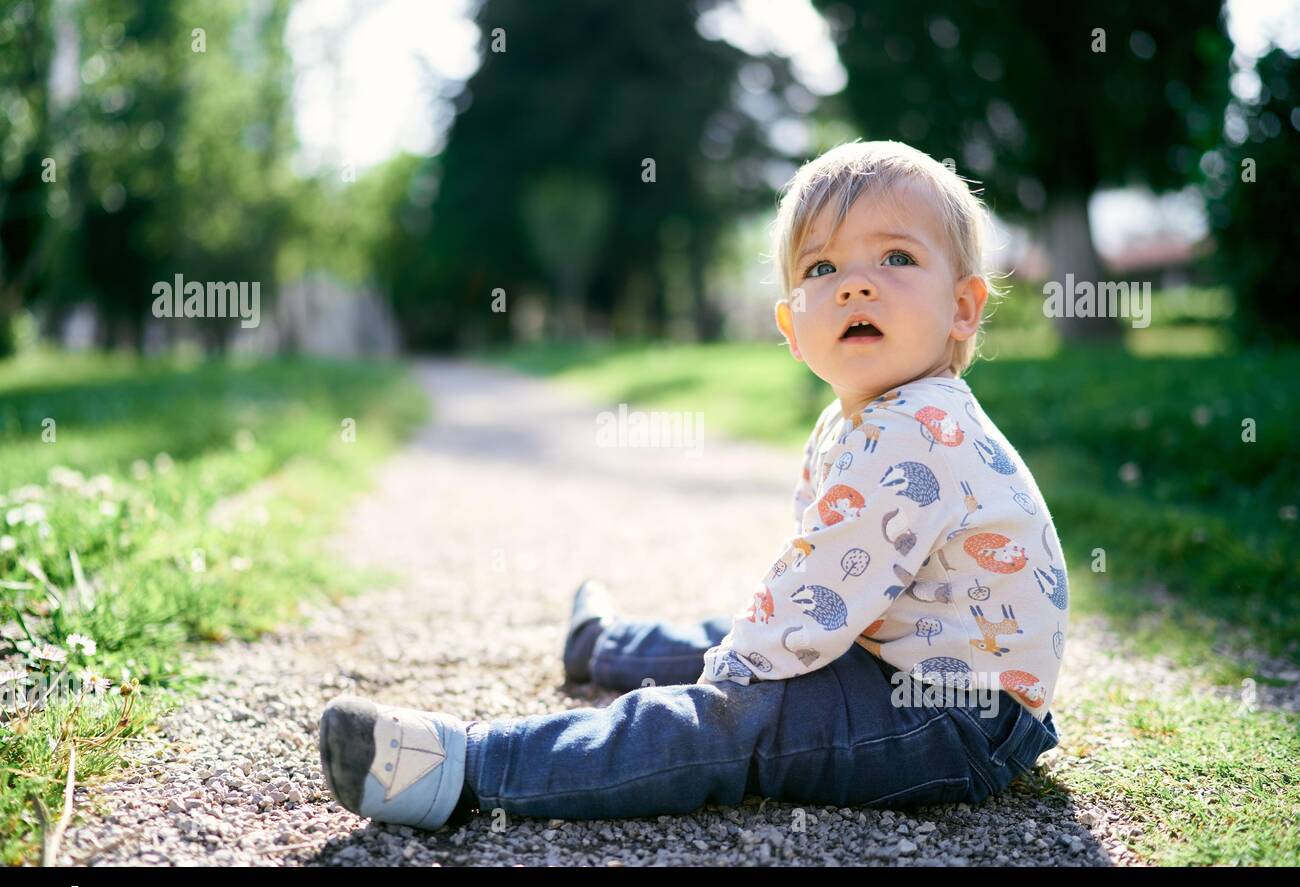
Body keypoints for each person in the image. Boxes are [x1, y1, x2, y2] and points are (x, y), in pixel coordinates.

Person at [316, 139, 1067, 832]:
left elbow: (809, 605)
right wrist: (744, 649)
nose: (854, 288)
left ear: (963, 308)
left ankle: (469, 768)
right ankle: (608, 646)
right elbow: (815, 591)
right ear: (790, 325)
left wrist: (730, 687)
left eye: (896, 258)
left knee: (735, 716)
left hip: (957, 720)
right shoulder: (863, 420)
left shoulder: (917, 431)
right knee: (740, 632)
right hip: (905, 666)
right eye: (822, 269)